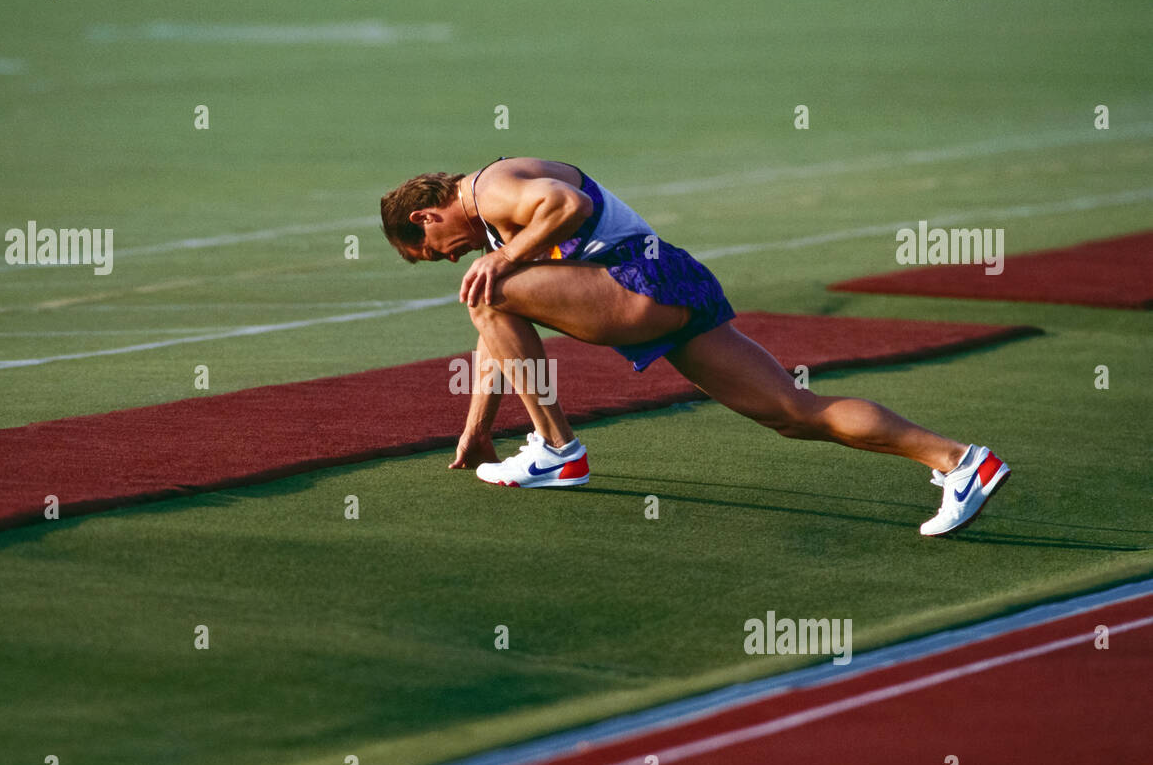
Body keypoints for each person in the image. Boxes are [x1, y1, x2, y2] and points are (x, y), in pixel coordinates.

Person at [379, 157, 1010, 535]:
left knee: (488, 290)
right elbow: (496, 334)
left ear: (427, 217)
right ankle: (960, 461)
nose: (449, 257)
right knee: (791, 412)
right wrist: (477, 426)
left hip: (640, 282)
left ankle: (557, 452)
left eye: (434, 250)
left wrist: (506, 257)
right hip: (677, 282)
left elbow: (566, 203)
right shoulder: (494, 228)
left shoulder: (491, 189)